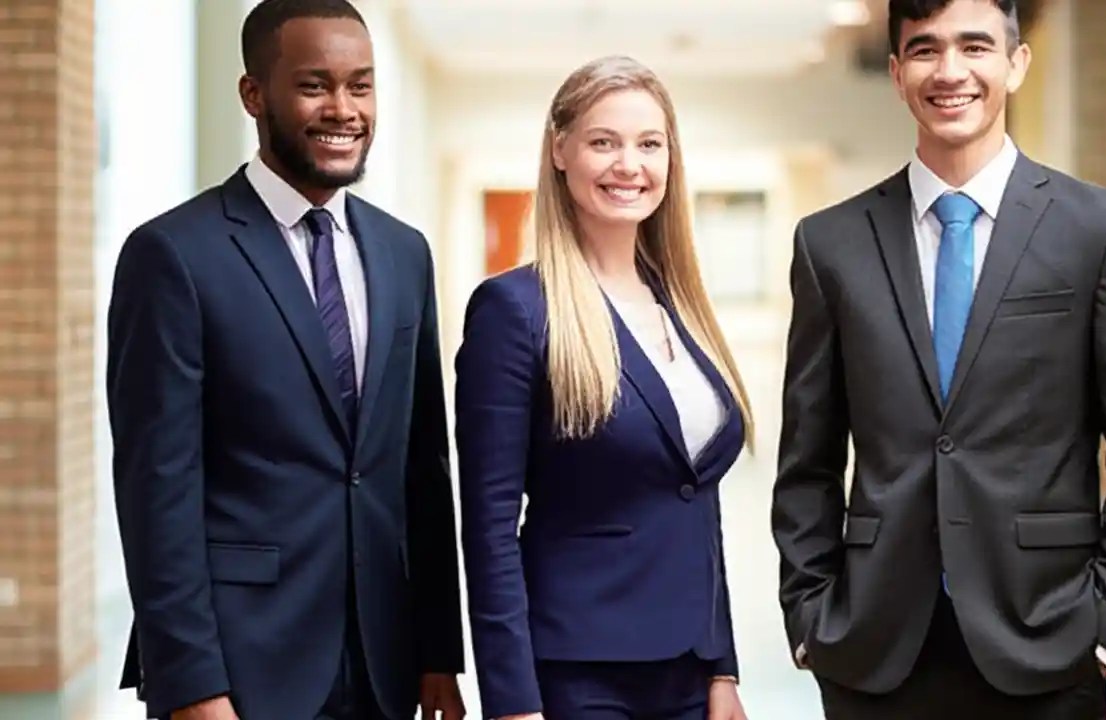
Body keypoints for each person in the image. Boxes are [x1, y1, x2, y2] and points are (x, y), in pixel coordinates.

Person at [771, 0, 1106, 718]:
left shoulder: (1102, 231)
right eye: (927, 50)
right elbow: (806, 459)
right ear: (899, 73)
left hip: (1049, 644)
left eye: (975, 47)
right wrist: (811, 622)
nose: (952, 71)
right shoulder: (830, 245)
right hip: (874, 654)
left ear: (1016, 63)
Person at [105, 1, 465, 718]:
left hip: (384, 660)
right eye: (314, 85)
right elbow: (157, 492)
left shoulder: (403, 254)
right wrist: (192, 683)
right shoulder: (174, 255)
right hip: (242, 667)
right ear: (253, 95)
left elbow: (421, 468)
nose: (344, 109)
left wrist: (437, 651)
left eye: (360, 86)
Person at [455, 55, 752, 720]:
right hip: (579, 676)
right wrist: (511, 702)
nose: (629, 165)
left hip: (688, 673)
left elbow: (697, 501)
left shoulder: (681, 303)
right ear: (560, 150)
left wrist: (723, 666)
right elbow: (489, 528)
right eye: (603, 142)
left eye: (649, 144)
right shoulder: (515, 310)